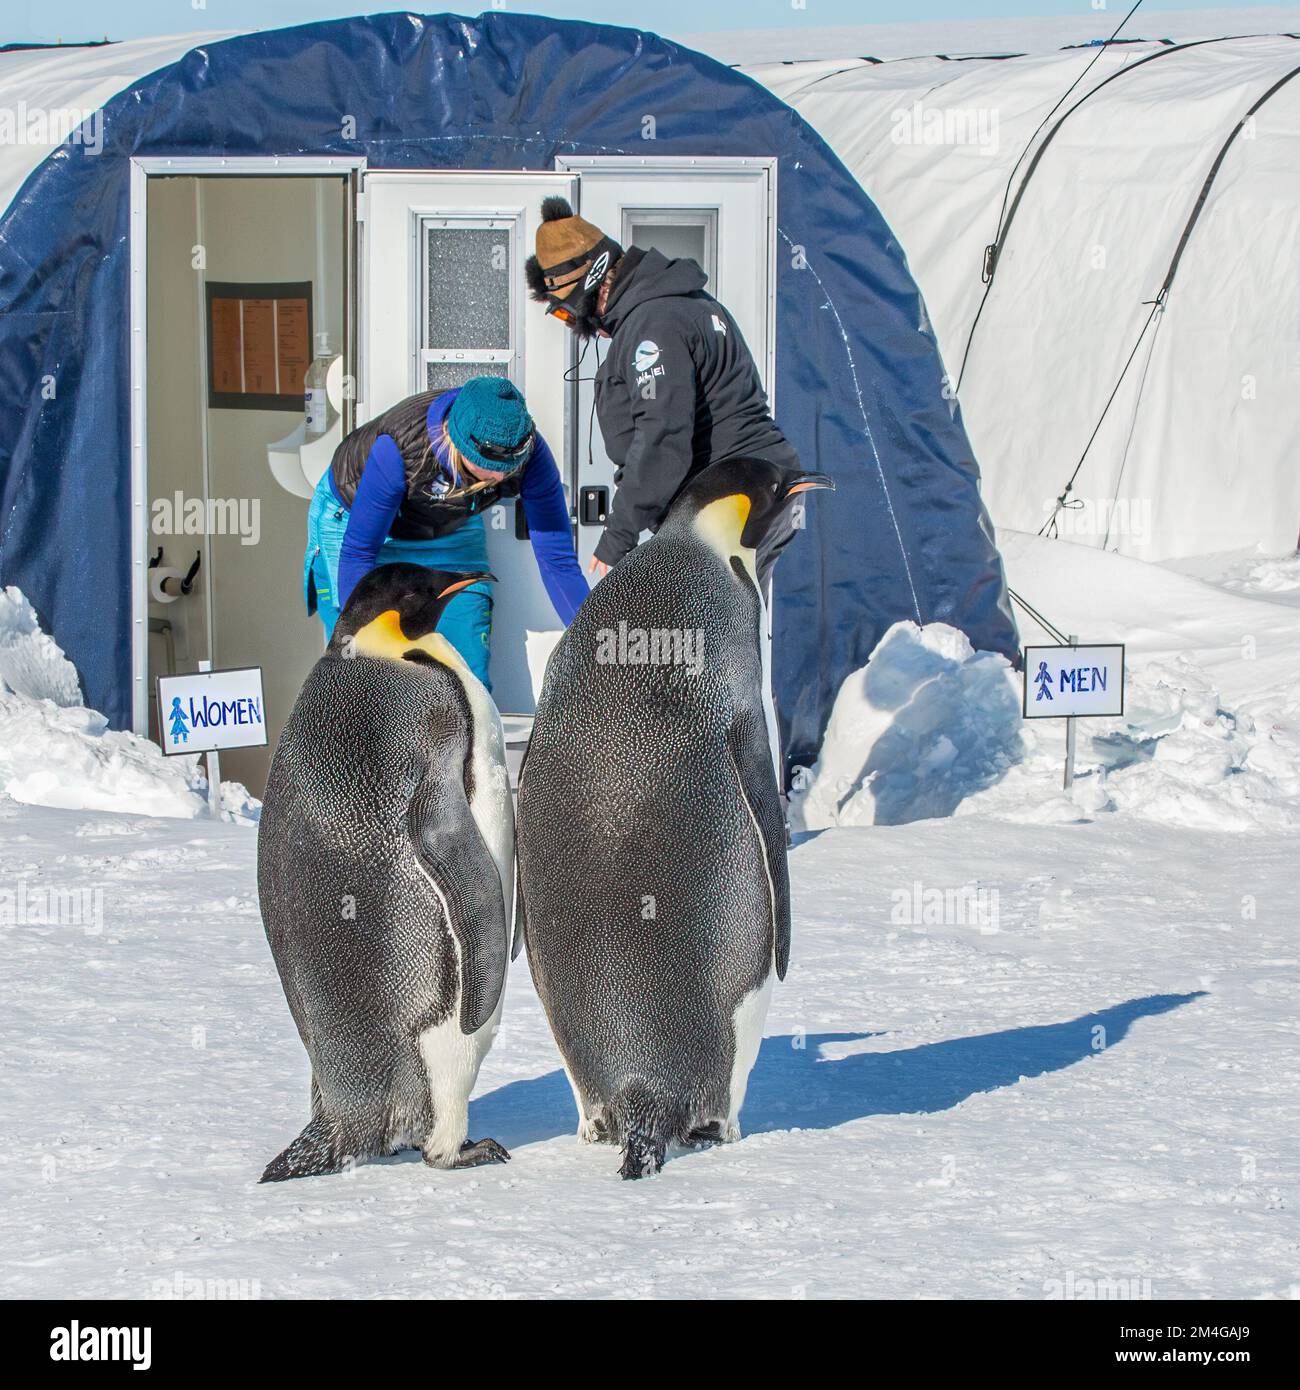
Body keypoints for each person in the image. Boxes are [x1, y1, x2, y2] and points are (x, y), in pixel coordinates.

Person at [525, 196, 801, 578]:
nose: (571, 323)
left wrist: (618, 535)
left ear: (592, 286)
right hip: (745, 488)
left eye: (564, 310)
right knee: (725, 622)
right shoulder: (682, 305)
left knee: (707, 626)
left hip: (731, 496)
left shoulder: (652, 326)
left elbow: (662, 437)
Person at [304, 376, 587, 688]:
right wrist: (362, 636)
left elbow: (557, 560)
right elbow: (359, 550)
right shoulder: (399, 448)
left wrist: (592, 637)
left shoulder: (531, 456)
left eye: (510, 466)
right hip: (357, 525)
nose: (500, 475)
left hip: (448, 524)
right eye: (489, 466)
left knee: (467, 673)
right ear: (458, 442)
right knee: (373, 669)